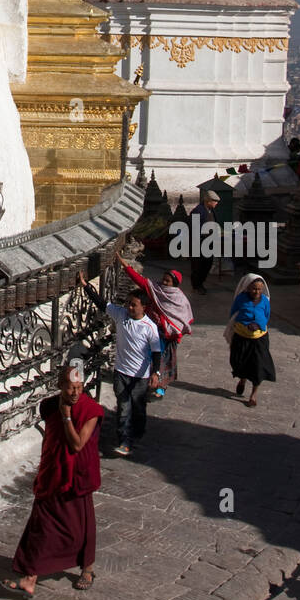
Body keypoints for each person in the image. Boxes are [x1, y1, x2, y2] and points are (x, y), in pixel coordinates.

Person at [0, 364, 103, 599]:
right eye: (70, 388)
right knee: (40, 525)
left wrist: (66, 416)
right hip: (53, 474)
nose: (75, 393)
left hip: (76, 477)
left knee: (81, 525)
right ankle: (29, 578)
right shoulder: (48, 406)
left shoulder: (91, 411)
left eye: (79, 388)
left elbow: (77, 445)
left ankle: (87, 567)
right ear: (60, 387)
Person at [78, 274, 161, 455]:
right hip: (121, 371)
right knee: (123, 407)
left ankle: (137, 432)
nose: (129, 307)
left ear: (143, 308)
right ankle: (124, 441)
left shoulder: (150, 328)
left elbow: (156, 352)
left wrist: (156, 373)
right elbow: (102, 304)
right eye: (128, 303)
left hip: (140, 376)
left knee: (137, 408)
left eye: (134, 305)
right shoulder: (121, 315)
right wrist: (86, 286)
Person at [120, 263, 193, 397]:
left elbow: (182, 318)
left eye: (168, 281)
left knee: (163, 362)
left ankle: (161, 386)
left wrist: (175, 333)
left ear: (174, 284)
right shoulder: (156, 289)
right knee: (148, 359)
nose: (164, 282)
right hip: (151, 333)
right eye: (163, 279)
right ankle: (145, 383)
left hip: (167, 337)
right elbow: (140, 280)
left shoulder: (179, 298)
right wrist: (126, 266)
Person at [224, 272, 276, 407]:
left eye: (259, 289)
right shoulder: (241, 299)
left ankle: (253, 395)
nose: (256, 291)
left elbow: (266, 315)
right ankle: (242, 379)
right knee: (240, 362)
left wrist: (258, 324)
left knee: (258, 366)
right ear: (247, 287)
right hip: (242, 336)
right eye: (254, 288)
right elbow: (234, 314)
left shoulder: (265, 300)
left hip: (259, 338)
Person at [189, 189, 220, 292]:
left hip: (209, 242)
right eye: (215, 201)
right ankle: (197, 285)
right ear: (208, 201)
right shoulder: (198, 211)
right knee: (198, 266)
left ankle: (201, 283)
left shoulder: (211, 211)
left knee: (208, 264)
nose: (216, 203)